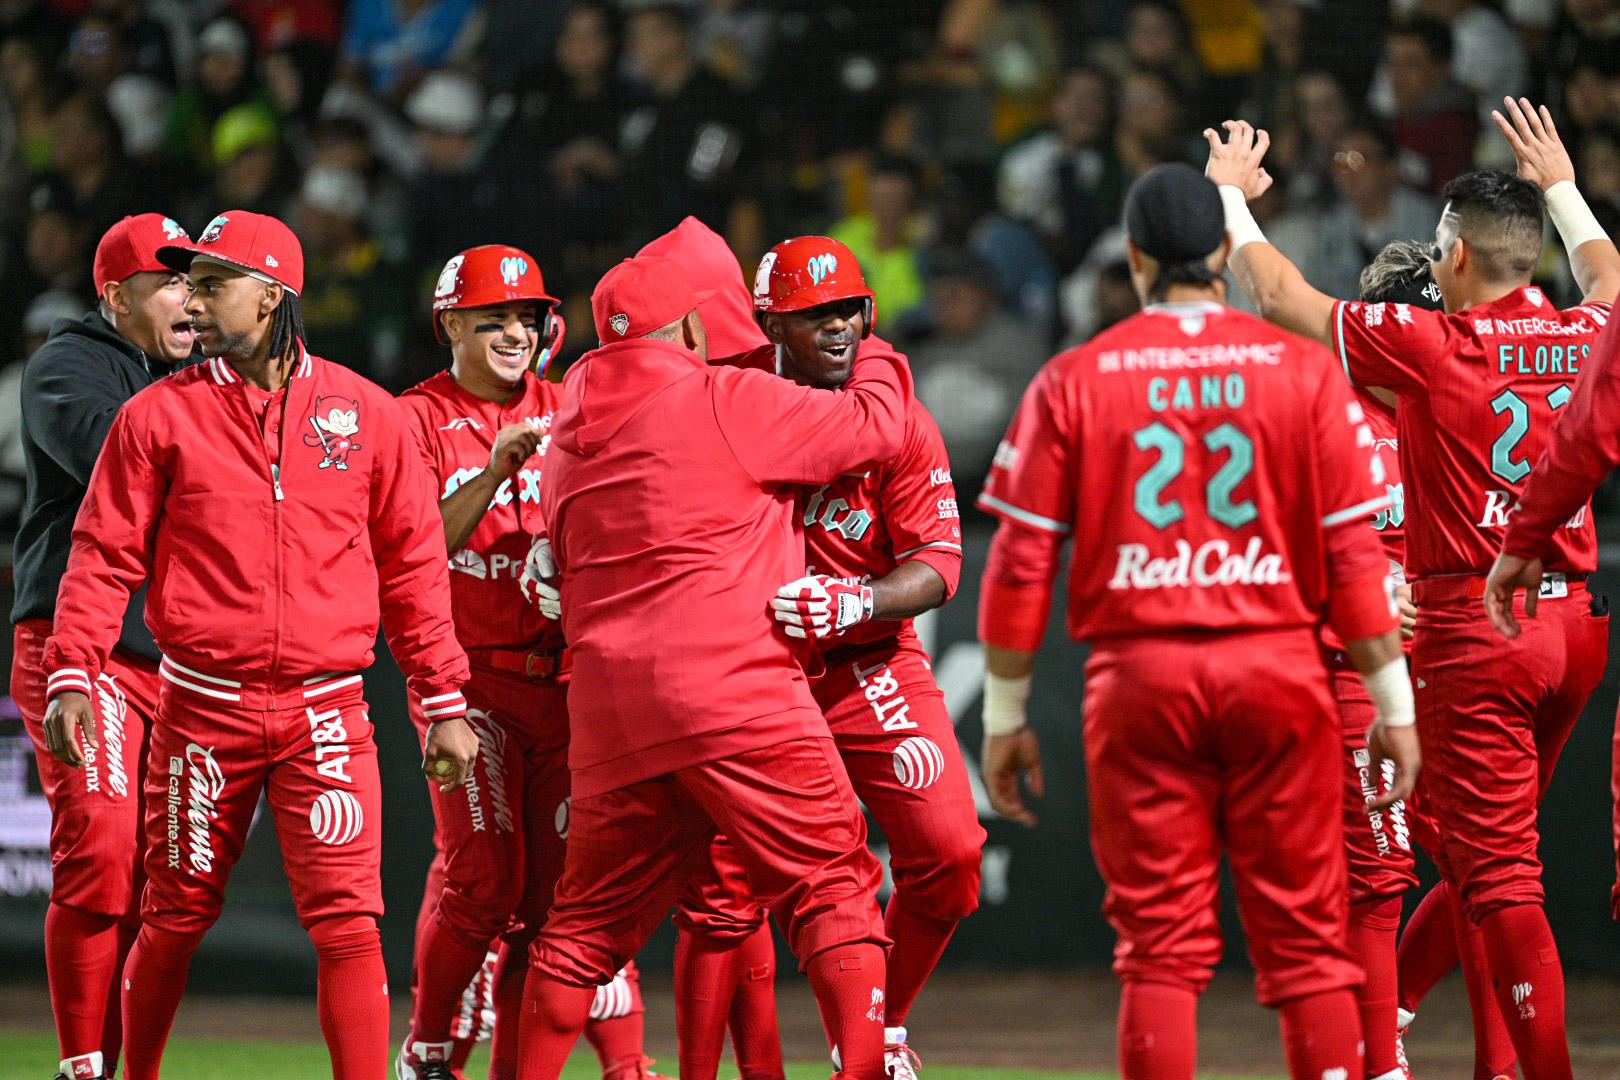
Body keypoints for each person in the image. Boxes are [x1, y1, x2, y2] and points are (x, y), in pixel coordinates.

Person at [976, 162, 1416, 1080]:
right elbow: (1352, 560)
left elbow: (1019, 564)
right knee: (1306, 948)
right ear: (1223, 251)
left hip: (1139, 682)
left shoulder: (1075, 377)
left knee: (1162, 953)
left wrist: (1006, 717)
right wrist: (1394, 702)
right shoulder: (1301, 371)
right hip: (1280, 673)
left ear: (1134, 258)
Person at [1210, 97, 1620, 1079]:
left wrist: (1231, 203)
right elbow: (1606, 268)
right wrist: (1562, 183)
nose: (1434, 268)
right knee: (1482, 864)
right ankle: (1459, 1049)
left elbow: (1283, 298)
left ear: (1465, 259)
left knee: (1500, 877)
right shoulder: (1585, 330)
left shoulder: (1437, 346)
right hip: (1577, 632)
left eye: (1442, 252)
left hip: (1478, 628)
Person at [38, 209, 479, 1080]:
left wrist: (443, 703)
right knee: (172, 918)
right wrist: (71, 674)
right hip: (200, 707)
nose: (192, 302)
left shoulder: (371, 415)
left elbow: (416, 571)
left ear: (272, 293)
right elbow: (101, 555)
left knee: (350, 924)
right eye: (188, 285)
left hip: (326, 712)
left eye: (211, 284)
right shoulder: (158, 417)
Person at [518, 254, 913, 1080]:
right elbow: (880, 424)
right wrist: (870, 338)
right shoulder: (726, 397)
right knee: (835, 884)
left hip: (609, 712)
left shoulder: (565, 435)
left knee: (580, 930)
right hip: (734, 690)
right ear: (695, 328)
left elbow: (556, 551)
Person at [672, 237, 984, 1080]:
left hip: (864, 661)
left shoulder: (898, 414)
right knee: (725, 894)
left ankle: (882, 1030)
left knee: (952, 858)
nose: (840, 326)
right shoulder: (727, 395)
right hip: (752, 669)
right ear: (772, 321)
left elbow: (942, 564)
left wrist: (859, 600)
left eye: (851, 308)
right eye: (816, 315)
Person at [396, 245, 656, 1080]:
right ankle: (429, 1051)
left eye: (526, 317)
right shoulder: (413, 419)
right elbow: (411, 549)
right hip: (467, 682)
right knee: (482, 882)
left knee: (563, 904)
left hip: (574, 687)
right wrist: (498, 466)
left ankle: (559, 1067)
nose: (515, 332)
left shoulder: (576, 403)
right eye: (492, 319)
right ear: (451, 326)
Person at [10, 214, 195, 1080]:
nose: (186, 296)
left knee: (166, 883)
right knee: (103, 851)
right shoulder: (66, 366)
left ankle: (129, 1068)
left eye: (194, 280)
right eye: (167, 282)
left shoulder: (198, 375)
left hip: (180, 657)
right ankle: (84, 1064)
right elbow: (119, 457)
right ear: (115, 295)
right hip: (82, 646)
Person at [1328, 239, 1438, 1080]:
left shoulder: (1455, 406)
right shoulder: (1329, 418)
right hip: (1357, 672)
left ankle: (1391, 1018)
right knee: (1379, 872)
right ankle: (1376, 1061)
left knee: (1485, 865)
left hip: (1448, 669)